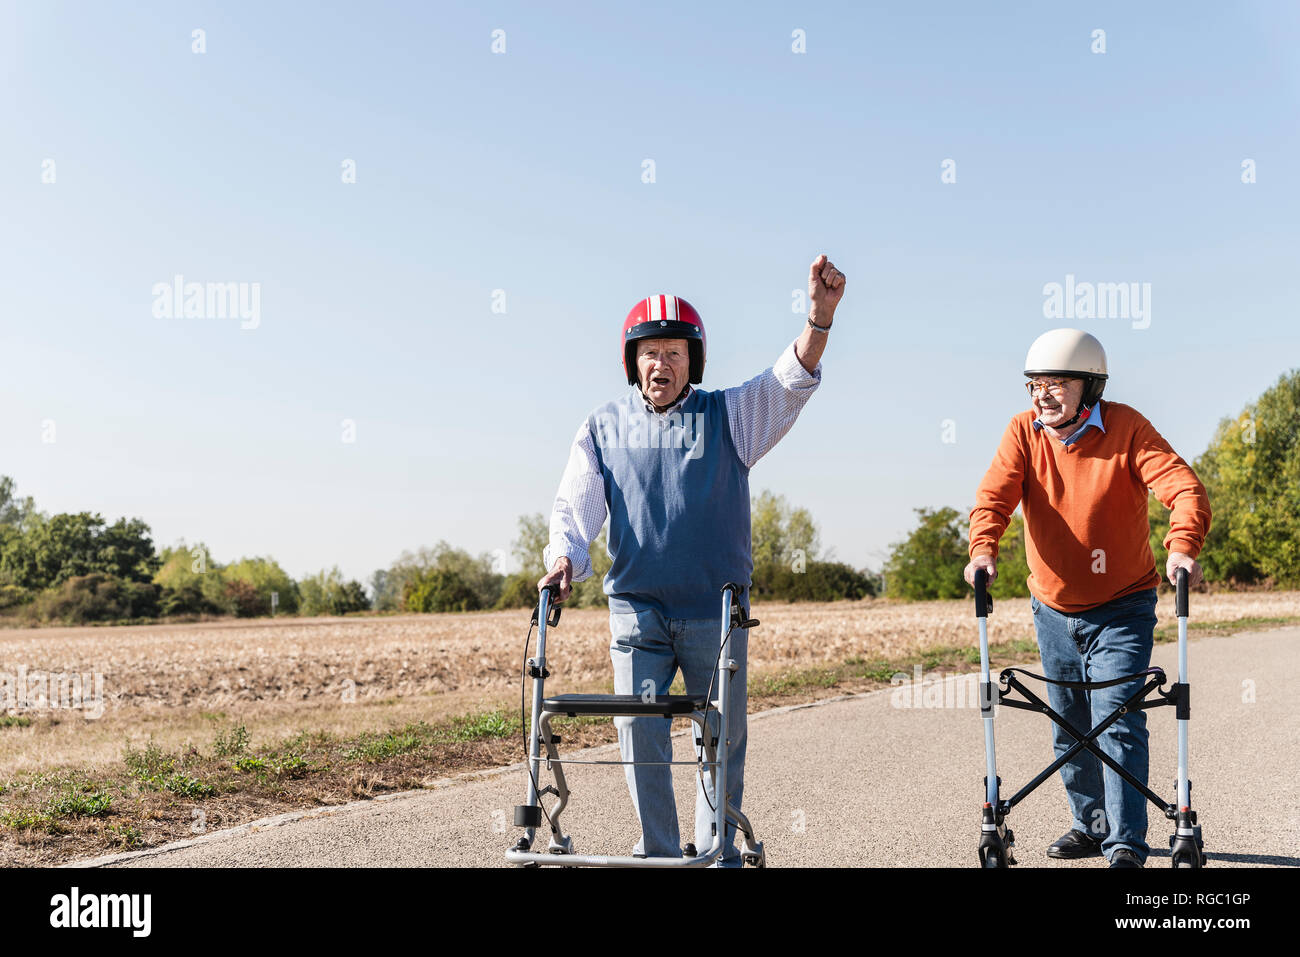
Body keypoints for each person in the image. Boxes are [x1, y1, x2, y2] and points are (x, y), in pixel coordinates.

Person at [537, 255, 845, 865]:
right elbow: (574, 507)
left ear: (692, 361)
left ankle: (714, 851)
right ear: (633, 361)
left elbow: (788, 380)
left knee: (719, 738)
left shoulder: (729, 416)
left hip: (714, 607)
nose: (662, 363)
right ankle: (657, 853)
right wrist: (564, 560)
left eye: (675, 352)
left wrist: (819, 318)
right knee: (639, 732)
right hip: (637, 610)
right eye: (651, 352)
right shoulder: (602, 427)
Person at [963, 328, 1211, 868]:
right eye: (1034, 385)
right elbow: (993, 499)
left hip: (1122, 604)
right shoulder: (1022, 433)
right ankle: (1089, 825)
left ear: (1090, 386)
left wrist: (1182, 545)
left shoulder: (1127, 428)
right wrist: (983, 549)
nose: (1042, 395)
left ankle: (1126, 843)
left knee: (1116, 719)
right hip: (1051, 607)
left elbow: (1183, 488)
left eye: (1056, 383)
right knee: (1070, 726)